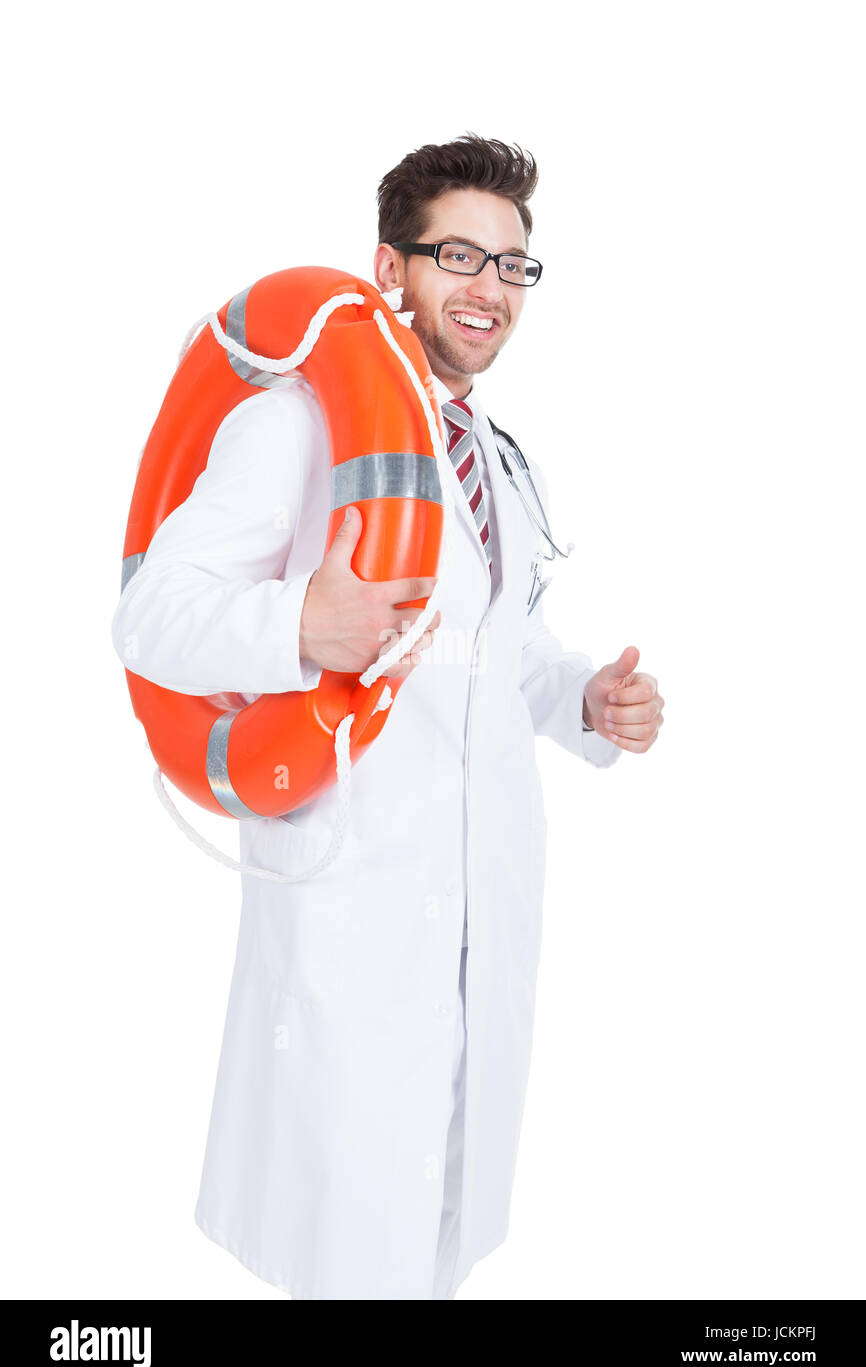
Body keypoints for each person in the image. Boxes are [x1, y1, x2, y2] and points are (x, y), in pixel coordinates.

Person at [111, 132, 665, 1301]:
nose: (489, 289)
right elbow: (152, 613)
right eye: (459, 254)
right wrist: (292, 625)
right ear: (387, 267)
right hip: (350, 913)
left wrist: (581, 698)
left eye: (514, 266)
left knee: (436, 1238)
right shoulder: (300, 428)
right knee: (348, 1242)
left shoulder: (503, 463)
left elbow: (494, 658)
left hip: (480, 911)